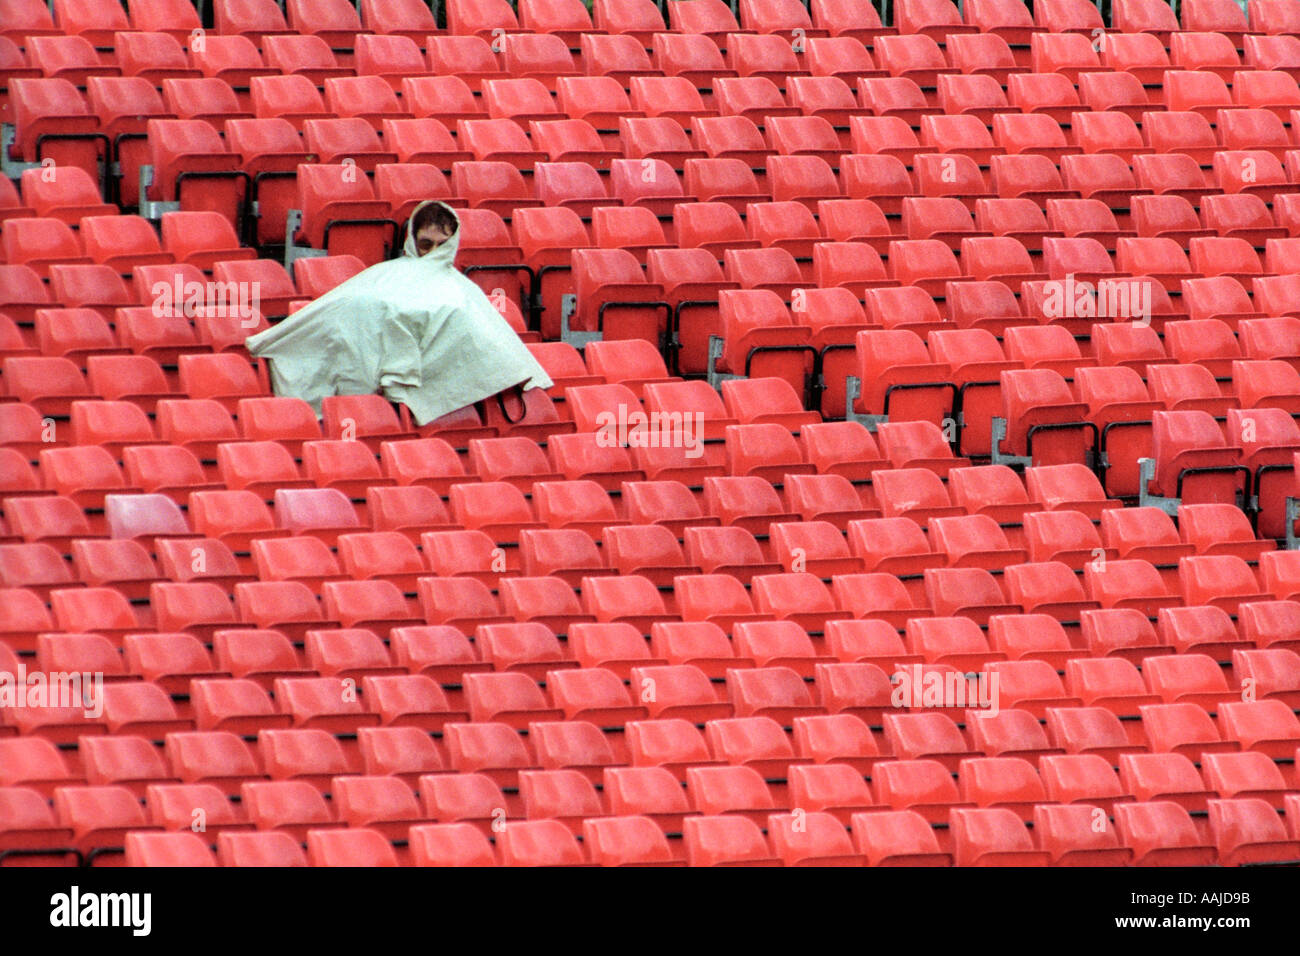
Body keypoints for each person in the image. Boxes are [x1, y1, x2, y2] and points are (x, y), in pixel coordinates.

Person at [245, 199, 552, 425]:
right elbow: (337, 306)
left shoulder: (461, 290)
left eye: (440, 245)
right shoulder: (384, 274)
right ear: (412, 242)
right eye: (425, 244)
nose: (432, 253)